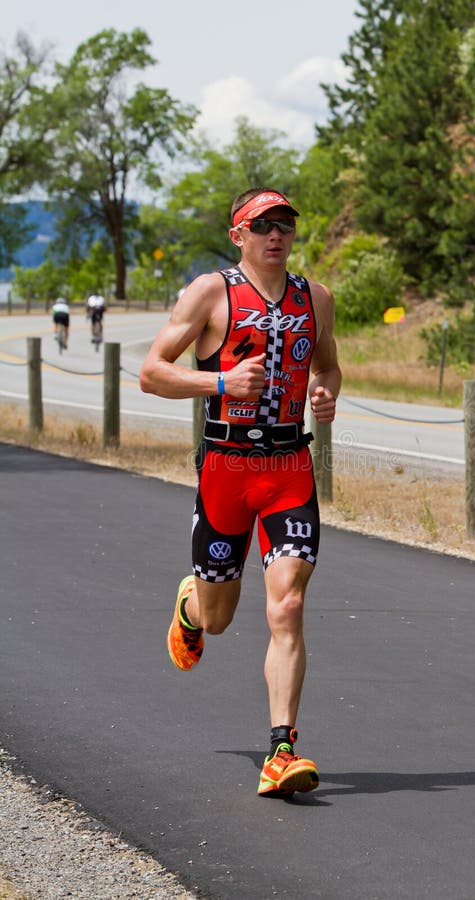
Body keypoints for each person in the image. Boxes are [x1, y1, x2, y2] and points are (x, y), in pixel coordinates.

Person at [140, 187, 341, 798]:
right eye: (262, 225)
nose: (275, 235)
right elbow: (151, 372)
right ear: (238, 235)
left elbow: (328, 365)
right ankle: (192, 606)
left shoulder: (317, 298)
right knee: (220, 620)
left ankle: (281, 751)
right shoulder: (210, 292)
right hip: (226, 469)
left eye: (284, 224)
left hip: (289, 469)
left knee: (288, 606)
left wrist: (327, 393)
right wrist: (220, 379)